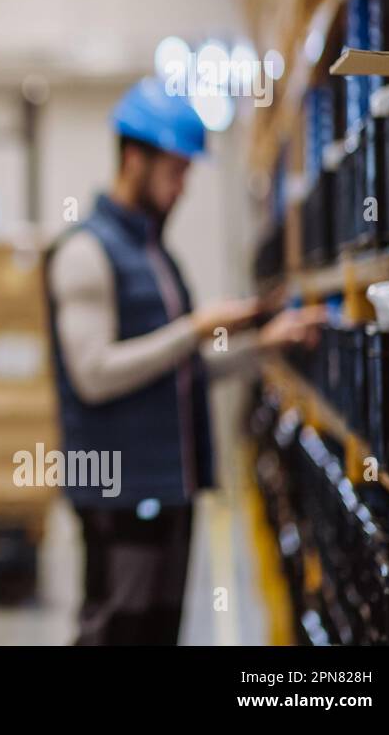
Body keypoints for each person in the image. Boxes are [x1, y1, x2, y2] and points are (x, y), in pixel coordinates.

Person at [45, 76, 322, 646]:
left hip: (172, 487)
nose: (182, 188)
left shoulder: (157, 256)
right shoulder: (84, 252)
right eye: (176, 171)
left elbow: (180, 372)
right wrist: (193, 329)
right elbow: (93, 376)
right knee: (115, 634)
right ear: (132, 159)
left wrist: (265, 343)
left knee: (157, 636)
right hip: (119, 492)